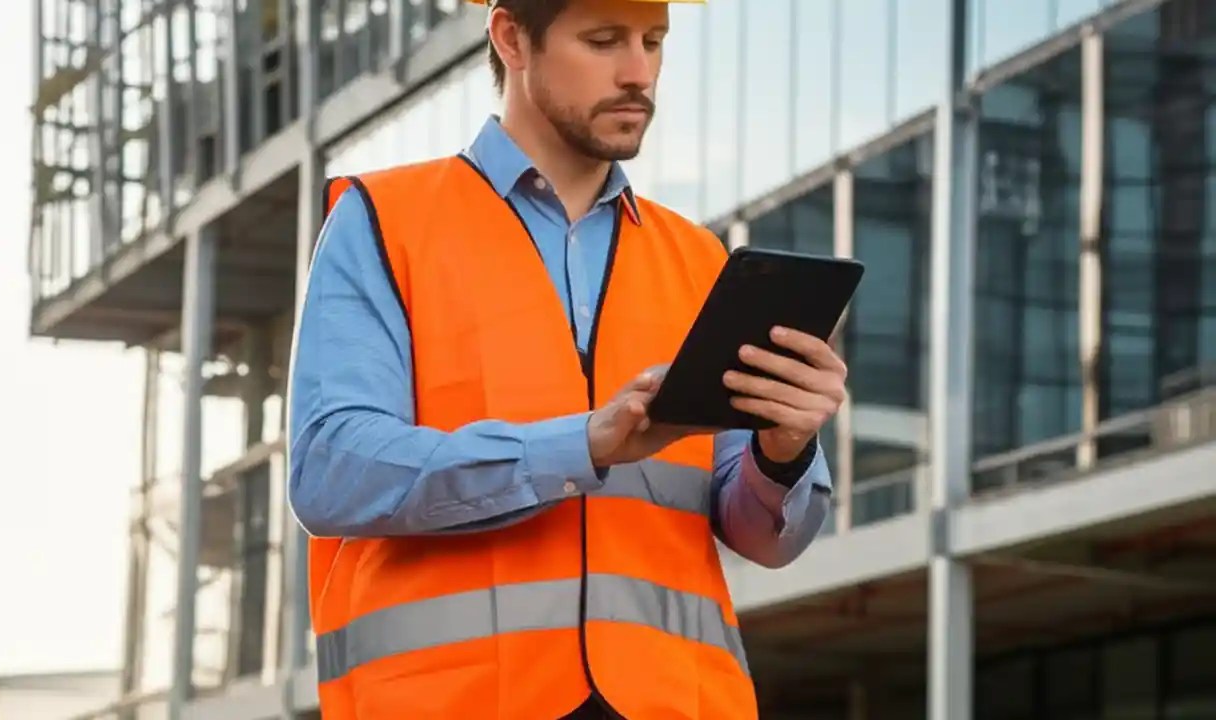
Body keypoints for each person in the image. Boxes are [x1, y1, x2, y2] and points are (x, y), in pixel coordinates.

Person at [287, 0, 848, 717]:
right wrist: (579, 444)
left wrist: (785, 450)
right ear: (512, 38)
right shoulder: (383, 222)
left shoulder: (700, 261)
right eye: (604, 41)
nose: (639, 73)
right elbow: (331, 471)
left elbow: (766, 539)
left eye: (654, 42)